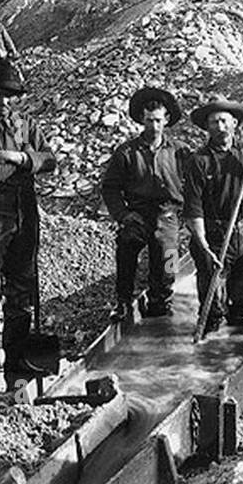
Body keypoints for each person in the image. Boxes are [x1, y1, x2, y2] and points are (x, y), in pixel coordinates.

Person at [0, 61, 57, 394]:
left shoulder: (27, 125)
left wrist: (17, 159)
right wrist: (27, 161)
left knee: (21, 298)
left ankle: (15, 379)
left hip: (25, 219)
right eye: (0, 94)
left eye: (12, 96)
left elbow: (51, 160)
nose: (5, 102)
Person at [182, 97, 243, 333]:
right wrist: (203, 245)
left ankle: (239, 337)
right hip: (213, 232)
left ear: (234, 123)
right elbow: (193, 208)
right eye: (214, 122)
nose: (220, 127)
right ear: (207, 127)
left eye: (224, 121)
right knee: (212, 294)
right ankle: (210, 334)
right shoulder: (198, 161)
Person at [101, 87, 192, 322]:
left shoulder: (180, 151)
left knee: (169, 255)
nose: (154, 126)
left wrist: (188, 215)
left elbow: (195, 183)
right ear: (142, 119)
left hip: (169, 213)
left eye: (159, 121)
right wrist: (123, 215)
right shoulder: (127, 152)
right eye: (149, 120)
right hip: (138, 213)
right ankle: (122, 301)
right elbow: (110, 187)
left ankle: (162, 298)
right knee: (126, 245)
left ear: (167, 120)